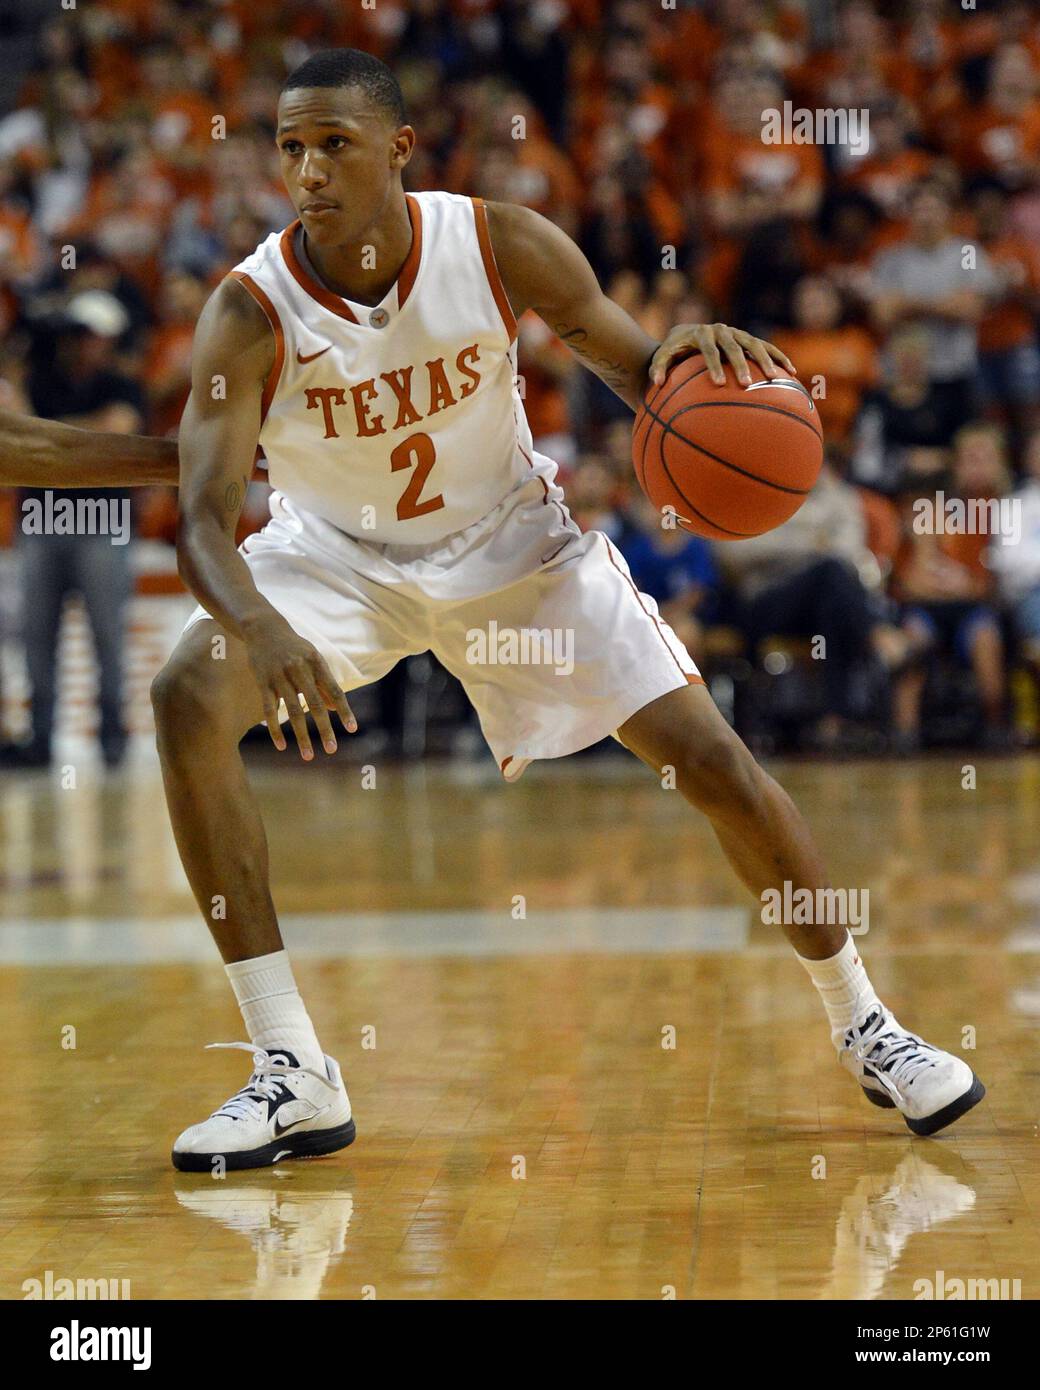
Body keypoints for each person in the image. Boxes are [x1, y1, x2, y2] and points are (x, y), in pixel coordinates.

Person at [148, 48, 983, 1174]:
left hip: (516, 548)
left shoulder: (498, 244)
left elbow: (646, 380)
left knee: (718, 765)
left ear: (398, 150)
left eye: (333, 143)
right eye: (290, 147)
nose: (306, 170)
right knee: (184, 691)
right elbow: (201, 519)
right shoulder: (248, 310)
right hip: (334, 562)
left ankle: (863, 1019)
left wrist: (698, 368)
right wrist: (256, 625)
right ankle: (291, 1067)